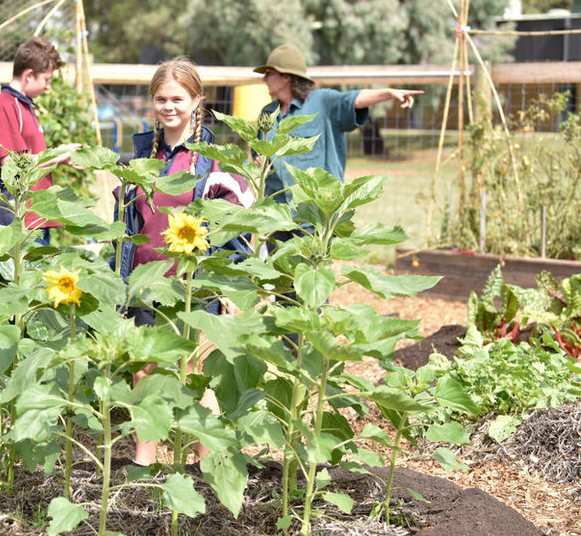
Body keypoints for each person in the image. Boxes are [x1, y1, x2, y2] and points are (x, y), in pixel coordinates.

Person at [114, 56, 252, 466]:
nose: (168, 106)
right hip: (146, 278)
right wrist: (121, 287)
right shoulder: (142, 159)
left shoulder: (213, 160)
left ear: (196, 101)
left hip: (191, 283)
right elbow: (127, 228)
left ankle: (209, 465)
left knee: (195, 376)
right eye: (161, 99)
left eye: (177, 98)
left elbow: (237, 222)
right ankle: (143, 464)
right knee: (144, 373)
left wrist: (228, 285)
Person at [254, 42, 423, 203]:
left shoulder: (323, 102)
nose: (264, 79)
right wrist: (260, 162)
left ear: (286, 76)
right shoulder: (267, 113)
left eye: (269, 73)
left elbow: (353, 99)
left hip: (316, 209)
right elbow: (258, 155)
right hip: (277, 209)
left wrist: (389, 94)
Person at [0, 36, 73, 243]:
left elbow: (30, 157)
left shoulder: (24, 105)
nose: (48, 86)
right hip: (15, 219)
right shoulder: (5, 105)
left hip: (34, 215)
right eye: (47, 79)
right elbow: (12, 164)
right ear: (29, 75)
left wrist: (61, 157)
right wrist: (57, 154)